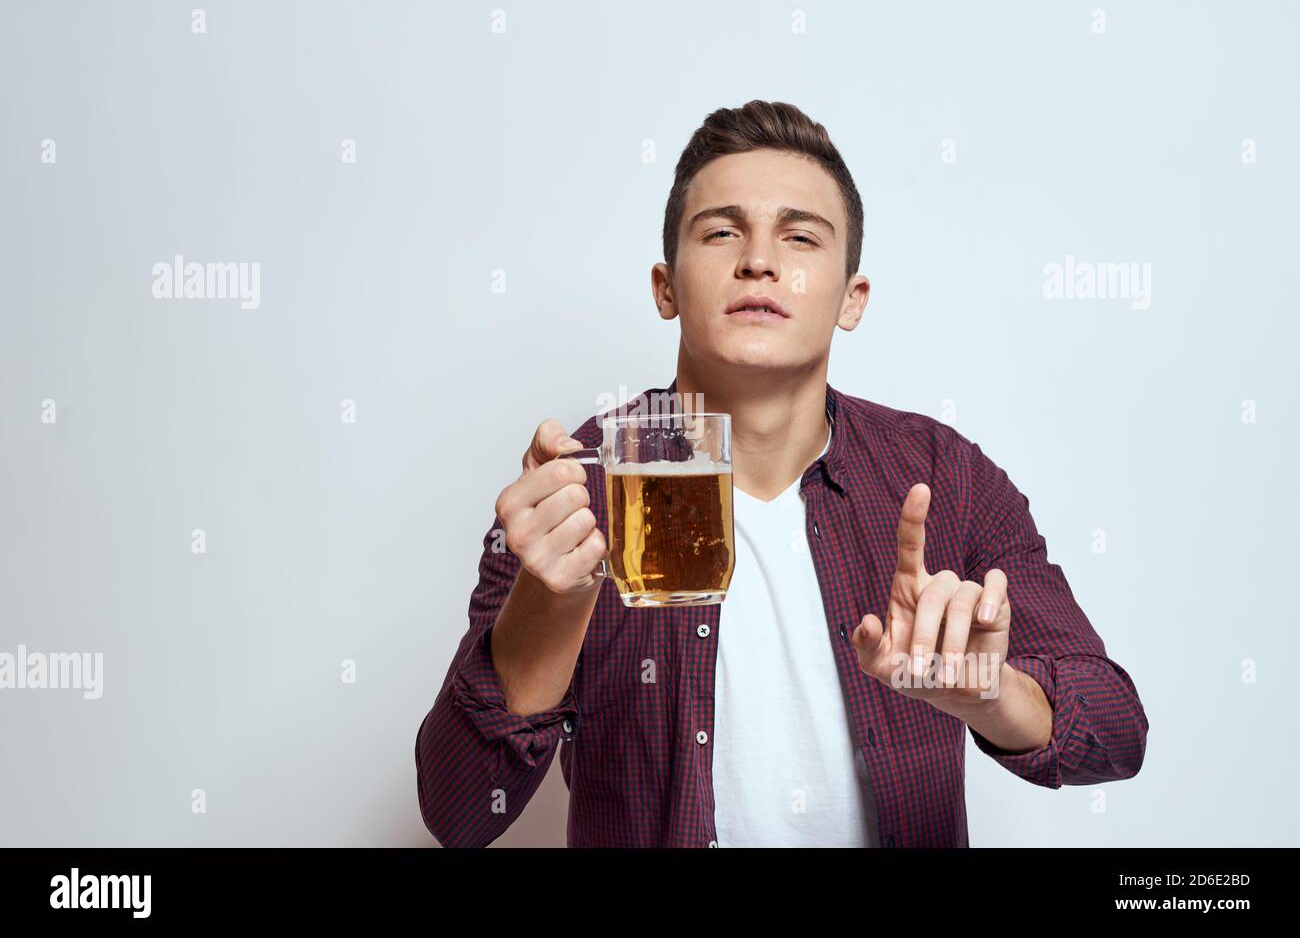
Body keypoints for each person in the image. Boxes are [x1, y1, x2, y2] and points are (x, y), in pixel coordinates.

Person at [415, 100, 1148, 847]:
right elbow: (464, 813)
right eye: (723, 230)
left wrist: (993, 697)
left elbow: (1118, 731)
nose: (758, 259)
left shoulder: (943, 475)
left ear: (850, 299)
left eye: (799, 237)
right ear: (665, 287)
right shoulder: (577, 491)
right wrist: (549, 603)